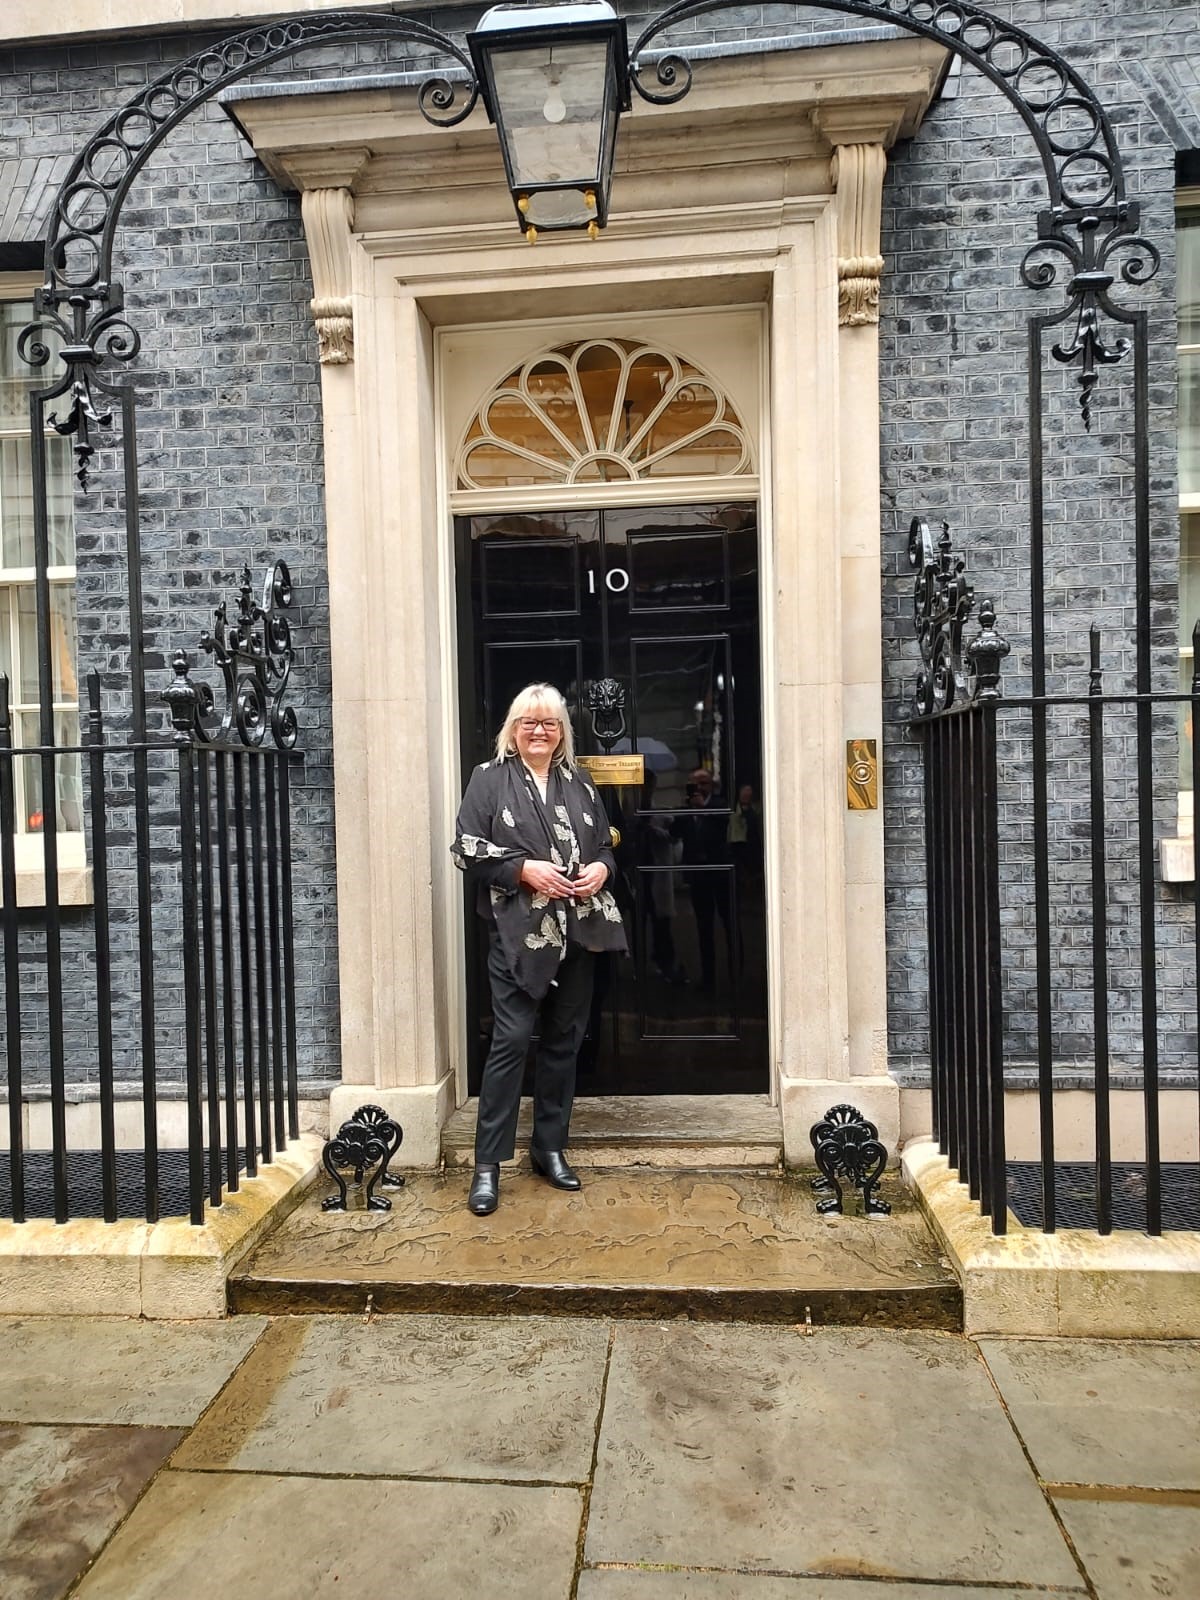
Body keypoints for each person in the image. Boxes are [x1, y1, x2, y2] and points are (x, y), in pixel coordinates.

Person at [451, 683, 628, 1216]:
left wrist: (602, 868)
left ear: (561, 733)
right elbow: (466, 848)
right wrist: (524, 870)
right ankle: (488, 1164)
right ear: (512, 728)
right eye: (529, 722)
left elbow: (603, 847)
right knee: (509, 1040)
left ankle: (548, 1147)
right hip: (516, 932)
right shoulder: (489, 779)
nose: (539, 731)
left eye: (549, 723)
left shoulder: (581, 781)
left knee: (564, 1041)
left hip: (579, 929)